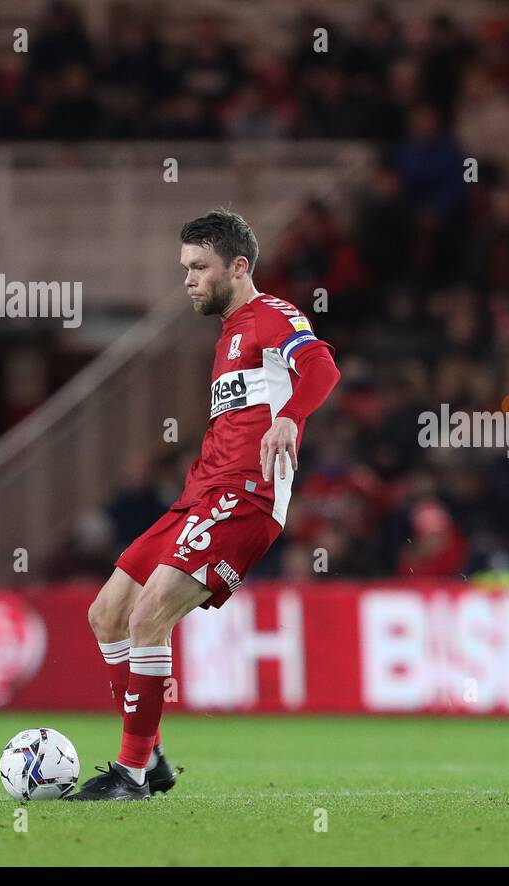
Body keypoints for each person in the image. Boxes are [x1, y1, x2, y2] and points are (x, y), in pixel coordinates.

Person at [70, 209, 340, 800]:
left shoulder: (273, 316)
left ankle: (132, 775)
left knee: (149, 617)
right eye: (184, 267)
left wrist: (290, 420)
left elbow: (321, 366)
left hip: (246, 495)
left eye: (199, 267)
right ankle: (152, 754)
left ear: (238, 266)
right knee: (108, 612)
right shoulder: (228, 335)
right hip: (198, 496)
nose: (188, 279)